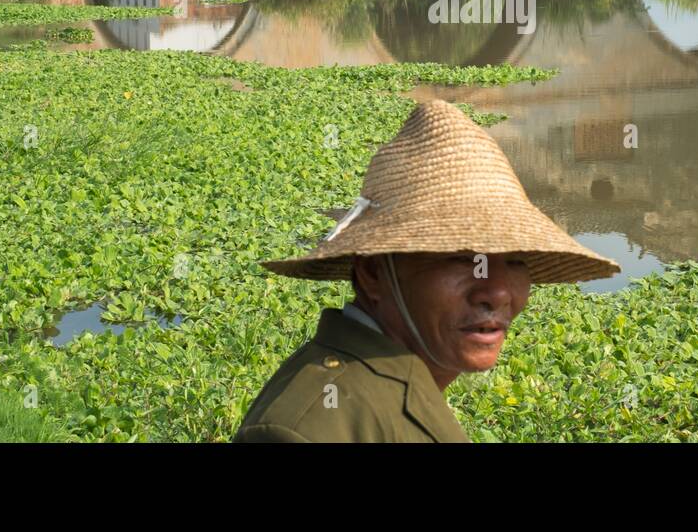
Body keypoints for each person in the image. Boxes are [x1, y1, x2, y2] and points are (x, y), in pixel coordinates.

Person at [233, 99, 620, 443]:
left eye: (516, 260)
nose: (498, 292)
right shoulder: (305, 431)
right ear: (372, 272)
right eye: (460, 257)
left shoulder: (399, 386)